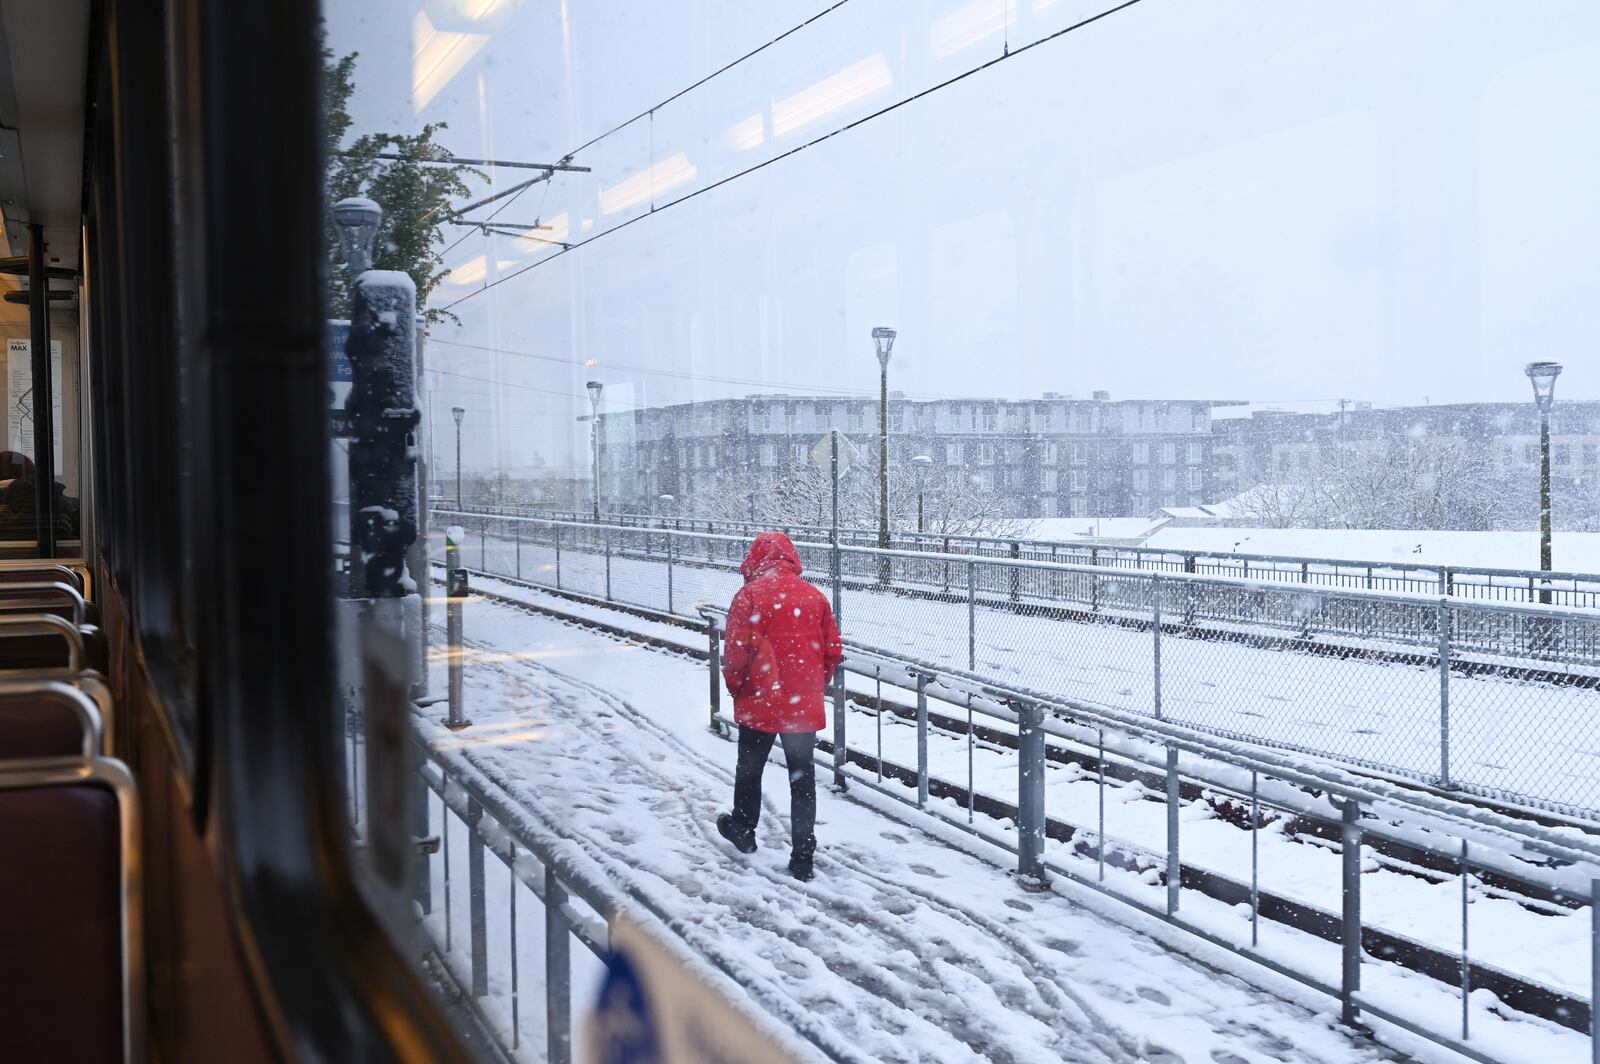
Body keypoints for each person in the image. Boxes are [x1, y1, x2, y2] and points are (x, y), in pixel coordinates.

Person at [716, 531, 842, 881]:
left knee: (749, 770)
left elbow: (736, 656)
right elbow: (832, 651)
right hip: (801, 706)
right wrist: (814, 685)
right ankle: (803, 854)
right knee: (802, 780)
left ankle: (743, 829)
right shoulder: (814, 597)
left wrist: (739, 689)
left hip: (760, 701)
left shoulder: (749, 597)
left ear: (756, 559)